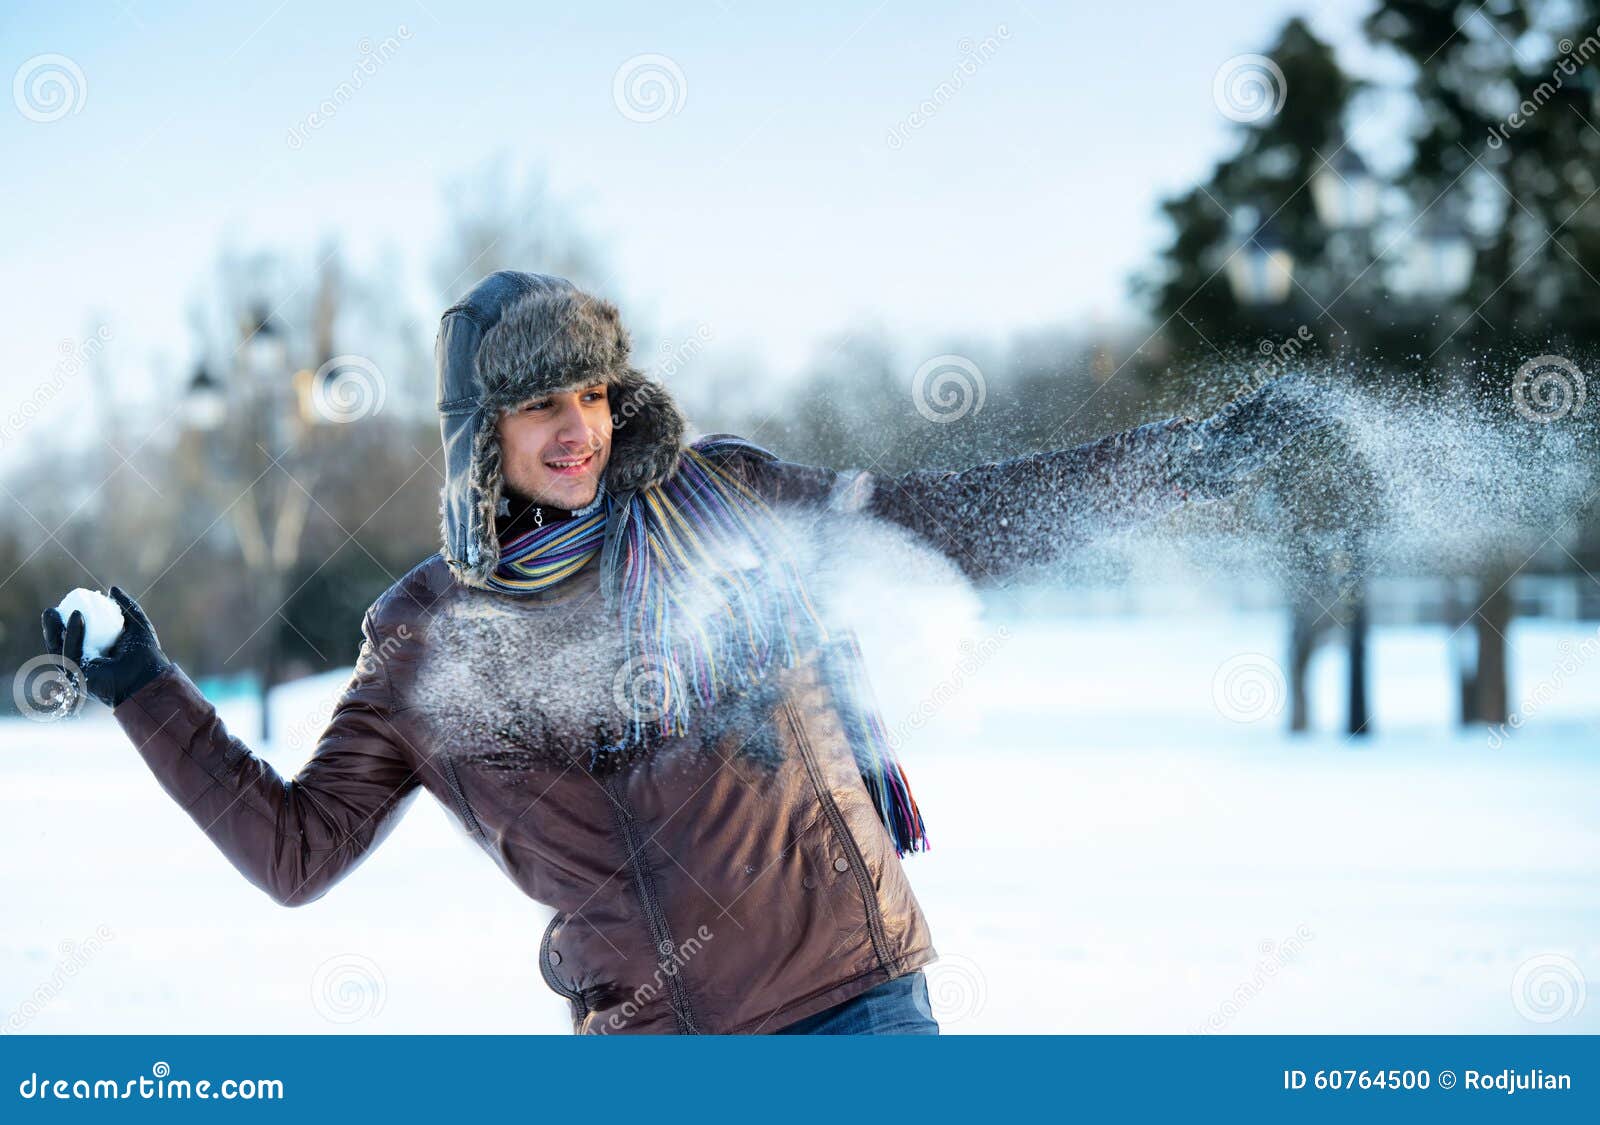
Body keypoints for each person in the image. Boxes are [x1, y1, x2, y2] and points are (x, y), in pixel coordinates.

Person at [41, 271, 1327, 1035]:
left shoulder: (724, 504)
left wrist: (1177, 464)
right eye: (538, 405)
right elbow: (296, 852)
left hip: (853, 1007)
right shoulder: (426, 639)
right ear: (478, 434)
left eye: (592, 393)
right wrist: (144, 689)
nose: (578, 429)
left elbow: (945, 521)